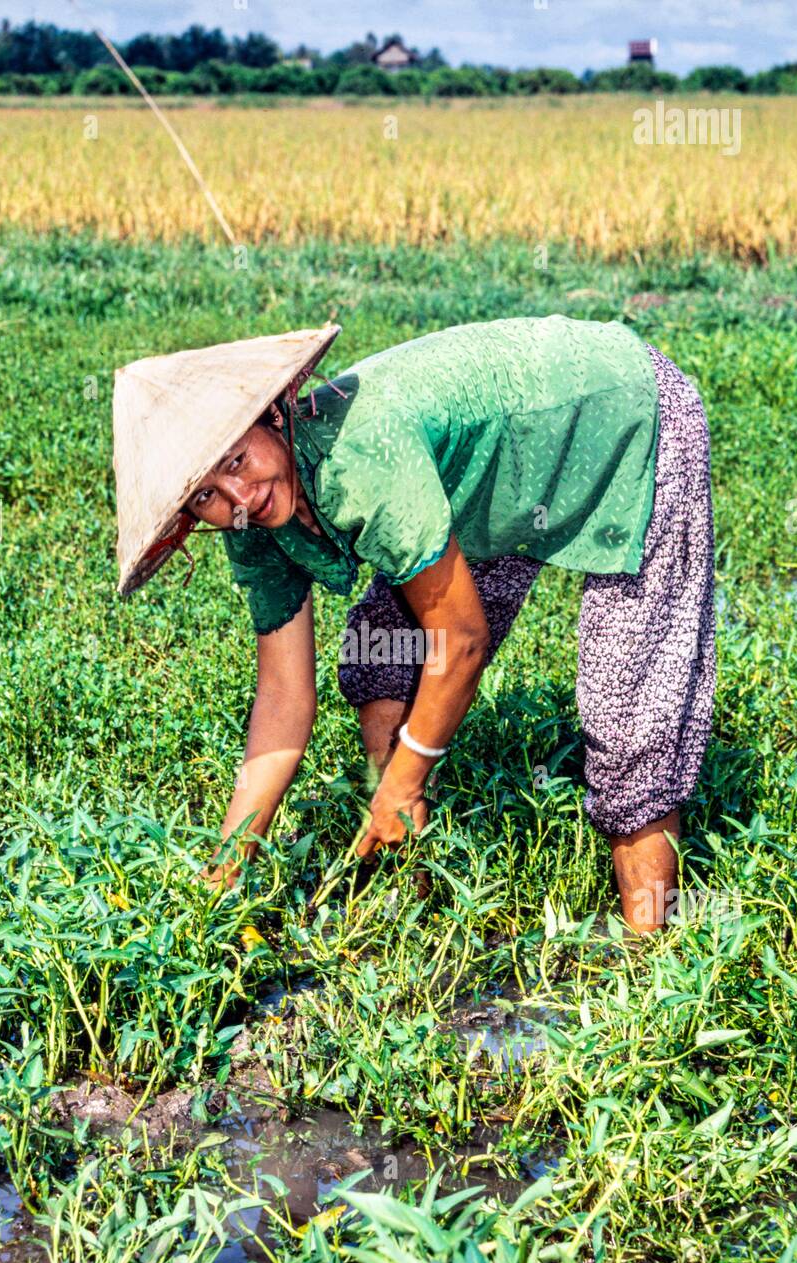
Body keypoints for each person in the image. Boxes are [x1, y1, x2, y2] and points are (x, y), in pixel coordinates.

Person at [113, 315, 715, 933]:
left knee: (629, 714)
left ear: (273, 417)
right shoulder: (254, 521)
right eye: (207, 496)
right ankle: (416, 881)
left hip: (621, 410)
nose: (239, 496)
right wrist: (227, 866)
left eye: (237, 459)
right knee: (383, 654)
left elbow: (461, 641)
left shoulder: (364, 460)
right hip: (501, 472)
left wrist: (404, 776)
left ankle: (649, 966)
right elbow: (284, 696)